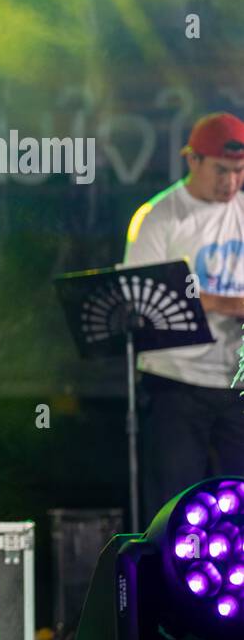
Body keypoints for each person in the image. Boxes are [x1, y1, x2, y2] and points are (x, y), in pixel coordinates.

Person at [124, 112, 244, 526]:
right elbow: (143, 301)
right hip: (175, 384)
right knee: (175, 511)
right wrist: (228, 302)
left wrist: (210, 300)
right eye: (221, 171)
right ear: (192, 160)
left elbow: (187, 296)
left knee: (238, 508)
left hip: (236, 383)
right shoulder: (159, 216)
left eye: (238, 171)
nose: (230, 182)